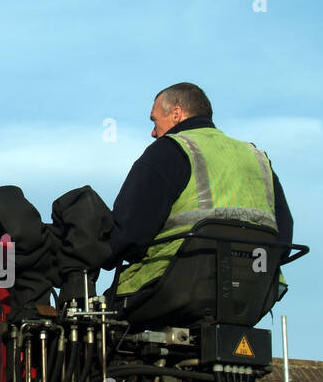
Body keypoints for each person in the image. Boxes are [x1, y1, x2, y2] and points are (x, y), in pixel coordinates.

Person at [105, 83, 293, 324]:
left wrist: (97, 255)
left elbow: (129, 232)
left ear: (176, 113)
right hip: (255, 293)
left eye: (154, 121)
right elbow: (283, 235)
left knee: (98, 325)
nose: (153, 132)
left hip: (172, 291)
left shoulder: (168, 151)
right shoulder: (257, 157)